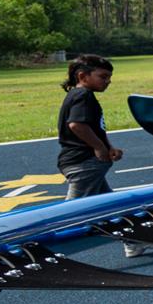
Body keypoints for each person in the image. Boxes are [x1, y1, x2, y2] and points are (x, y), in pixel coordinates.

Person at [56, 54, 139, 256]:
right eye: (103, 76)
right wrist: (99, 148)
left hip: (82, 162)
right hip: (84, 163)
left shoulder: (78, 95)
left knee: (111, 205)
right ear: (83, 76)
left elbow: (95, 128)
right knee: (71, 213)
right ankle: (47, 250)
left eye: (109, 77)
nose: (108, 81)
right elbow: (77, 125)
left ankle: (133, 241)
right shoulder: (82, 96)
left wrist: (108, 146)